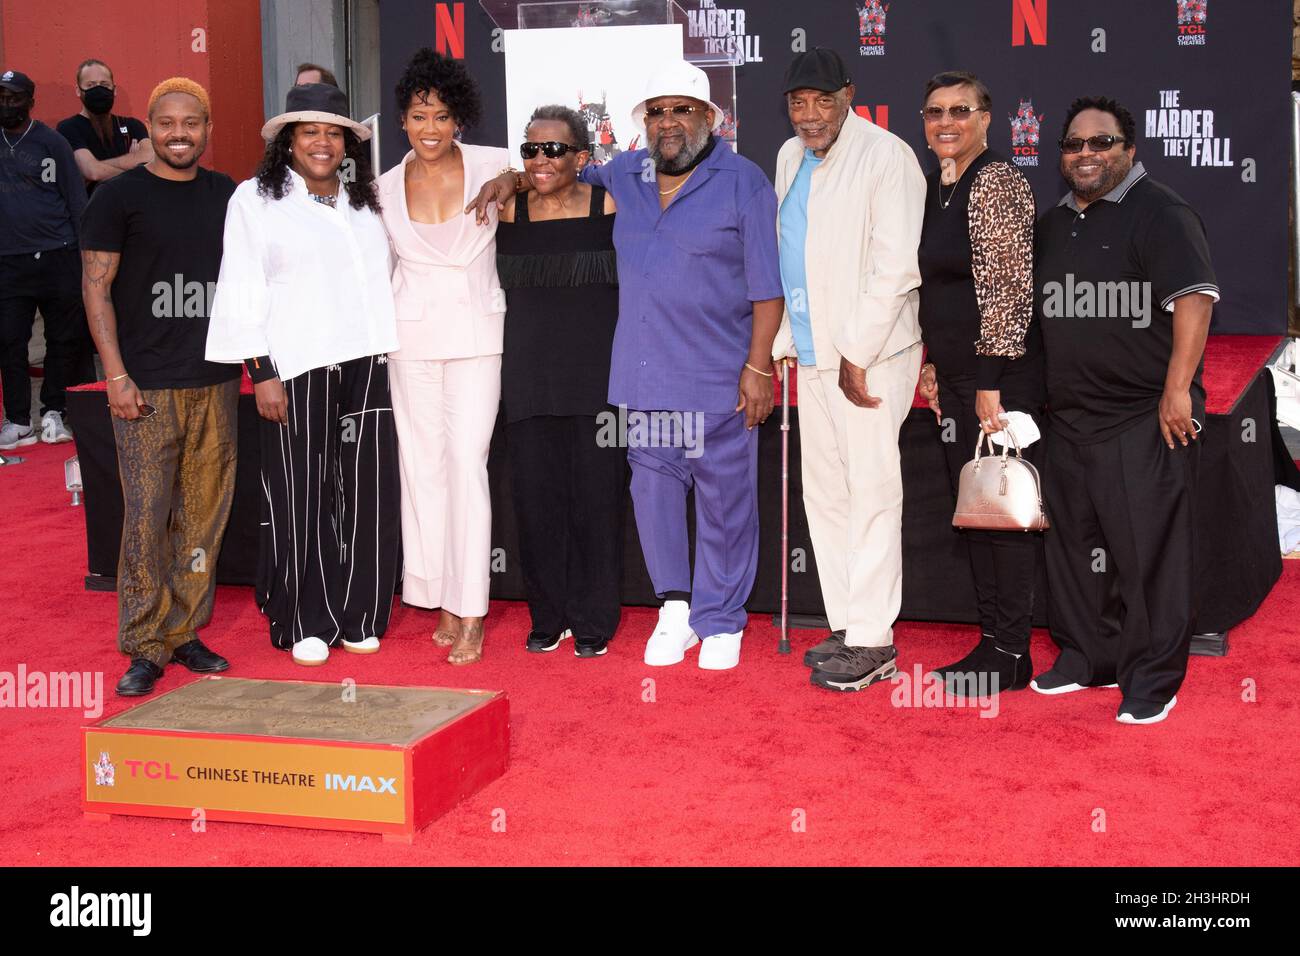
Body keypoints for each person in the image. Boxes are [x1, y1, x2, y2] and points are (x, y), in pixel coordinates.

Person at [475, 60, 783, 670]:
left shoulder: (744, 181)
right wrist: (510, 177)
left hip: (719, 377)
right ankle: (675, 607)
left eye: (682, 110)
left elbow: (767, 288)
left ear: (711, 118)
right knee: (655, 497)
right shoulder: (628, 174)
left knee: (726, 504)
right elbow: (555, 166)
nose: (669, 122)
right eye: (658, 112)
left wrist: (759, 368)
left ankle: (720, 619)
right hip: (644, 382)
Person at [1033, 96, 1218, 725]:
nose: (1086, 154)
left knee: (1148, 560)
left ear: (1128, 149)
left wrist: (1177, 390)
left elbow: (1194, 302)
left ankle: (1153, 679)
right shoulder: (1054, 223)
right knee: (1073, 553)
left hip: (1143, 417)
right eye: (1074, 145)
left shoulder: (1161, 212)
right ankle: (1088, 658)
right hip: (1069, 418)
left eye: (1101, 143)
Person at [206, 83, 401, 666]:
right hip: (294, 368)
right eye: (310, 130)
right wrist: (260, 369)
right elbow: (242, 286)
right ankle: (305, 619)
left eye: (333, 131)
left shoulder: (366, 201)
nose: (322, 142)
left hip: (368, 360)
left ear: (347, 142)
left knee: (365, 492)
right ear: (288, 140)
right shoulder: (254, 200)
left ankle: (360, 613)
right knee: (299, 495)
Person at [771, 49, 926, 692]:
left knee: (872, 494)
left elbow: (894, 269)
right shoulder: (787, 157)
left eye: (822, 101)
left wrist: (856, 353)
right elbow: (791, 256)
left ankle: (873, 637)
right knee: (826, 496)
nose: (809, 116)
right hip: (811, 356)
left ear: (848, 95)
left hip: (872, 358)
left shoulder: (888, 156)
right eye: (798, 103)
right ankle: (845, 619)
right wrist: (786, 336)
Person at [80, 78, 239, 697]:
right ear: (148, 127)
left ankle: (186, 630)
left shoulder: (226, 194)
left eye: (192, 122)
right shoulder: (117, 197)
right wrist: (114, 374)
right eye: (167, 122)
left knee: (203, 518)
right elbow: (96, 287)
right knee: (147, 516)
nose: (180, 133)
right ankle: (144, 644)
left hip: (216, 382)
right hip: (144, 387)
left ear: (207, 128)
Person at [915, 71, 1044, 695]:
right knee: (976, 509)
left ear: (987, 118)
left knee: (1001, 511)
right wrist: (936, 365)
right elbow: (940, 289)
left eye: (960, 110)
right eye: (936, 111)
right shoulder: (939, 186)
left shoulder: (994, 181)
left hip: (998, 378)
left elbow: (1010, 290)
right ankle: (992, 644)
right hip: (960, 374)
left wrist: (991, 382)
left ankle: (1012, 654)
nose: (947, 122)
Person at [378, 49, 508, 666]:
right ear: (402, 120)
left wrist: (511, 180)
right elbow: (377, 274)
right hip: (410, 343)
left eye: (442, 115)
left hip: (480, 336)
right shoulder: (379, 189)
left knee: (467, 464)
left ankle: (473, 607)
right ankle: (440, 596)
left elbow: (556, 180)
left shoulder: (496, 164)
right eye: (418, 115)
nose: (430, 127)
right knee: (422, 468)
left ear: (460, 119)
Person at [496, 104, 623, 658]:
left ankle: (594, 619)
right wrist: (507, 181)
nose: (540, 160)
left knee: (597, 505)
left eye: (553, 149)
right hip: (527, 381)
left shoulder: (608, 205)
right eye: (530, 149)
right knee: (536, 504)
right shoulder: (506, 212)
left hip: (599, 382)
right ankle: (548, 616)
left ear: (581, 156)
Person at [0, 69, 88, 450]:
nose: (7, 104)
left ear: (30, 101)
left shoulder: (52, 141)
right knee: (9, 342)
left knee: (63, 338)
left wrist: (86, 256)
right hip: (8, 260)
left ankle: (54, 411)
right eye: (1, 96)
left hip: (58, 253)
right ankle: (17, 420)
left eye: (14, 97)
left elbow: (75, 198)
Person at [56, 59, 151, 195]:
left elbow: (149, 157)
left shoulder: (133, 125)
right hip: (92, 209)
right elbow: (92, 172)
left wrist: (101, 166)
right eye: (91, 85)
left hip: (133, 209)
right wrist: (133, 166)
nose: (99, 89)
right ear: (78, 90)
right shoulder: (68, 128)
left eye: (104, 84)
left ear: (114, 89)